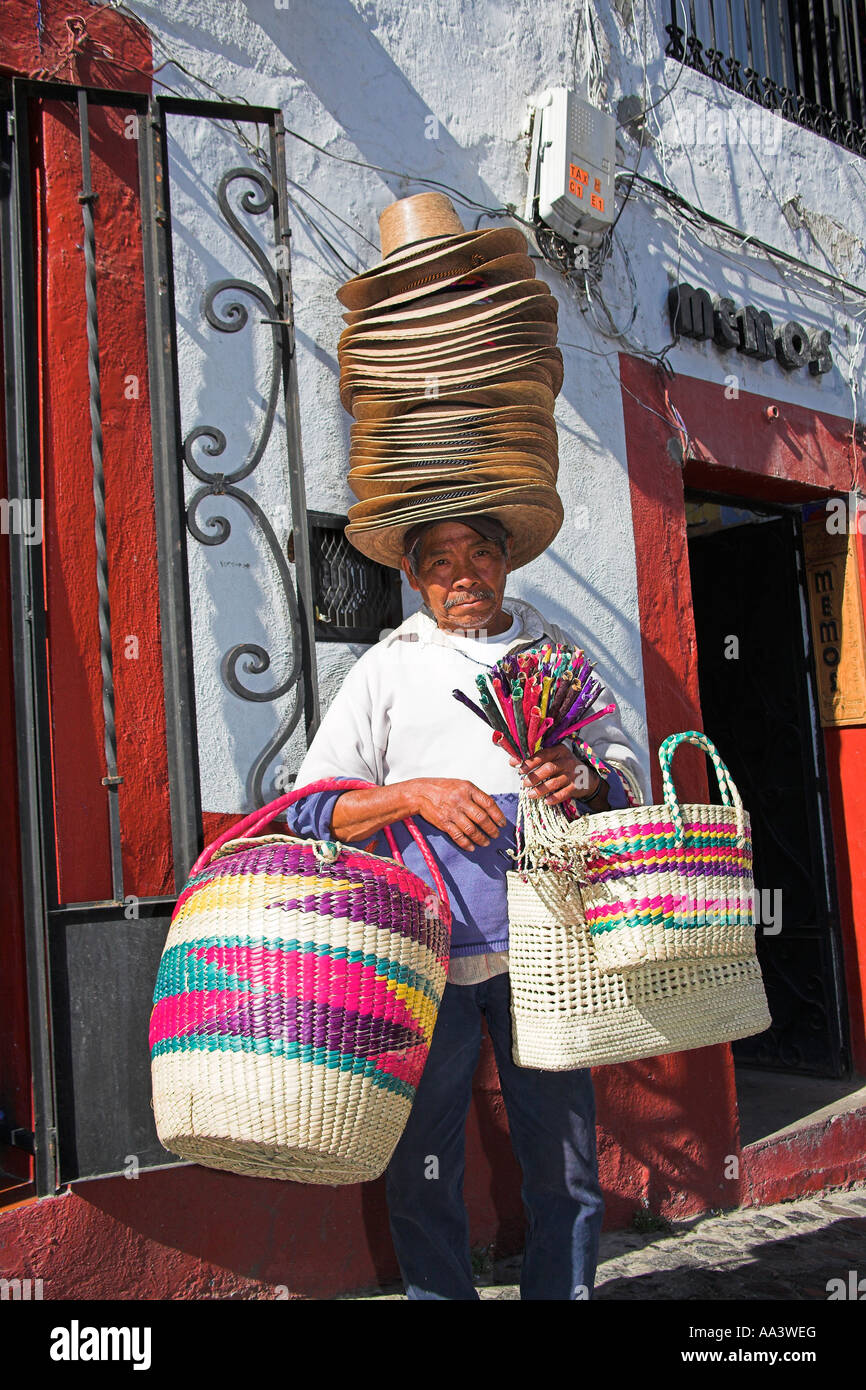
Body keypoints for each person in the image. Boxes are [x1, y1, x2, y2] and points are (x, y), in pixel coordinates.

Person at [288, 512, 644, 1299]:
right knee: (423, 1169)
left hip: (548, 955)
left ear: (507, 560)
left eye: (480, 553)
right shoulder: (388, 668)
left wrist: (580, 775)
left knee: (567, 1166)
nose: (463, 576)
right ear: (415, 578)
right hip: (422, 958)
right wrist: (414, 794)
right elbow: (311, 809)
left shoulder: (555, 658)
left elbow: (625, 779)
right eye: (440, 562)